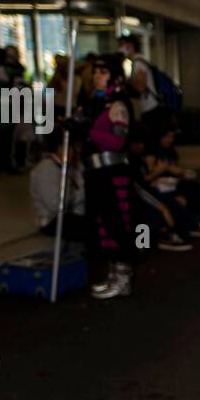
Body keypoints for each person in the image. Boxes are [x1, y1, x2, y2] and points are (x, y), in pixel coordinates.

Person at [81, 56, 138, 298]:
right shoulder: (94, 102)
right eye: (95, 72)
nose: (97, 76)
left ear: (114, 76)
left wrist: (89, 132)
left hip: (113, 173)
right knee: (103, 225)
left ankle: (123, 278)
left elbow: (117, 141)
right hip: (95, 172)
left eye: (103, 72)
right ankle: (114, 274)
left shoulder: (118, 105)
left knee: (116, 224)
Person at [30, 127, 87, 242]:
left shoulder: (71, 166)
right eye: (72, 148)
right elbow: (56, 205)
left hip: (69, 215)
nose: (76, 152)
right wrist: (82, 192)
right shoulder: (46, 168)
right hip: (52, 220)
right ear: (60, 148)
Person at [118, 34, 159, 121]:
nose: (120, 49)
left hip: (150, 107)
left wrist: (128, 82)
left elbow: (141, 87)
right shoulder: (136, 61)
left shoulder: (138, 62)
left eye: (121, 45)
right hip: (149, 106)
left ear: (131, 46)